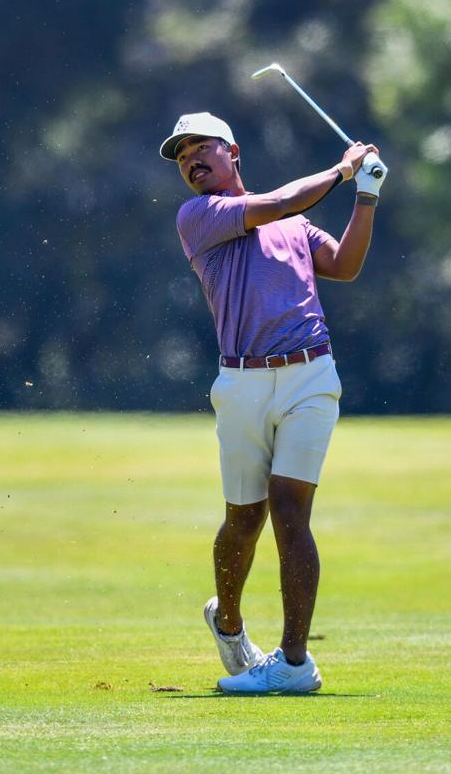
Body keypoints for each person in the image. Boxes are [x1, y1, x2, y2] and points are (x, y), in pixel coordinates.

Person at [160, 112, 385, 693]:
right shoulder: (201, 216)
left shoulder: (293, 222)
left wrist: (367, 195)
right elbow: (279, 202)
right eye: (181, 157)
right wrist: (342, 170)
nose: (190, 161)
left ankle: (293, 663)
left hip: (312, 374)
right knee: (244, 520)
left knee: (290, 512)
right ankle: (229, 627)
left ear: (232, 151)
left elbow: (344, 266)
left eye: (199, 148)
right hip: (242, 384)